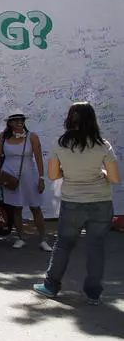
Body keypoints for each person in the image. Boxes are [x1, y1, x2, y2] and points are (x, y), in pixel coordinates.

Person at [33, 102, 120, 305]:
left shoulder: (60, 145)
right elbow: (115, 178)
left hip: (72, 202)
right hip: (101, 202)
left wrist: (69, 172)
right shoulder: (103, 145)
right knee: (96, 248)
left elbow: (53, 175)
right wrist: (102, 173)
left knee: (63, 244)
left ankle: (51, 286)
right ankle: (93, 294)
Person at [0, 112, 52, 251]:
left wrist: (41, 178)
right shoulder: (3, 137)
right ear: (10, 123)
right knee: (16, 208)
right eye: (16, 120)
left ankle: (43, 239)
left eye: (22, 120)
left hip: (29, 176)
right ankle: (20, 238)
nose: (19, 122)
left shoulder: (32, 137)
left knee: (35, 207)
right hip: (10, 176)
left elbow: (38, 159)